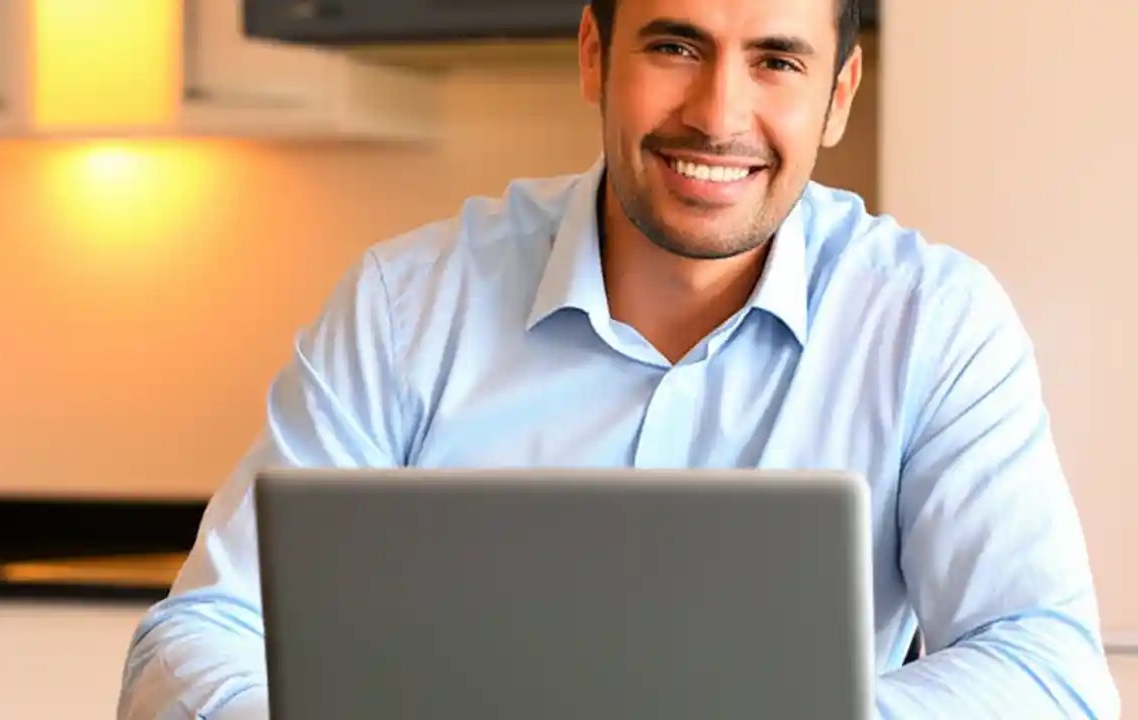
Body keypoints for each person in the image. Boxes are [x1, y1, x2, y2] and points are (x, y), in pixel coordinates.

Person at [118, 0, 1120, 717]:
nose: (718, 114)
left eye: (774, 59)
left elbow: (1046, 673)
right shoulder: (402, 307)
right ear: (594, 54)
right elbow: (195, 637)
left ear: (837, 94)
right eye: (675, 45)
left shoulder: (929, 323)